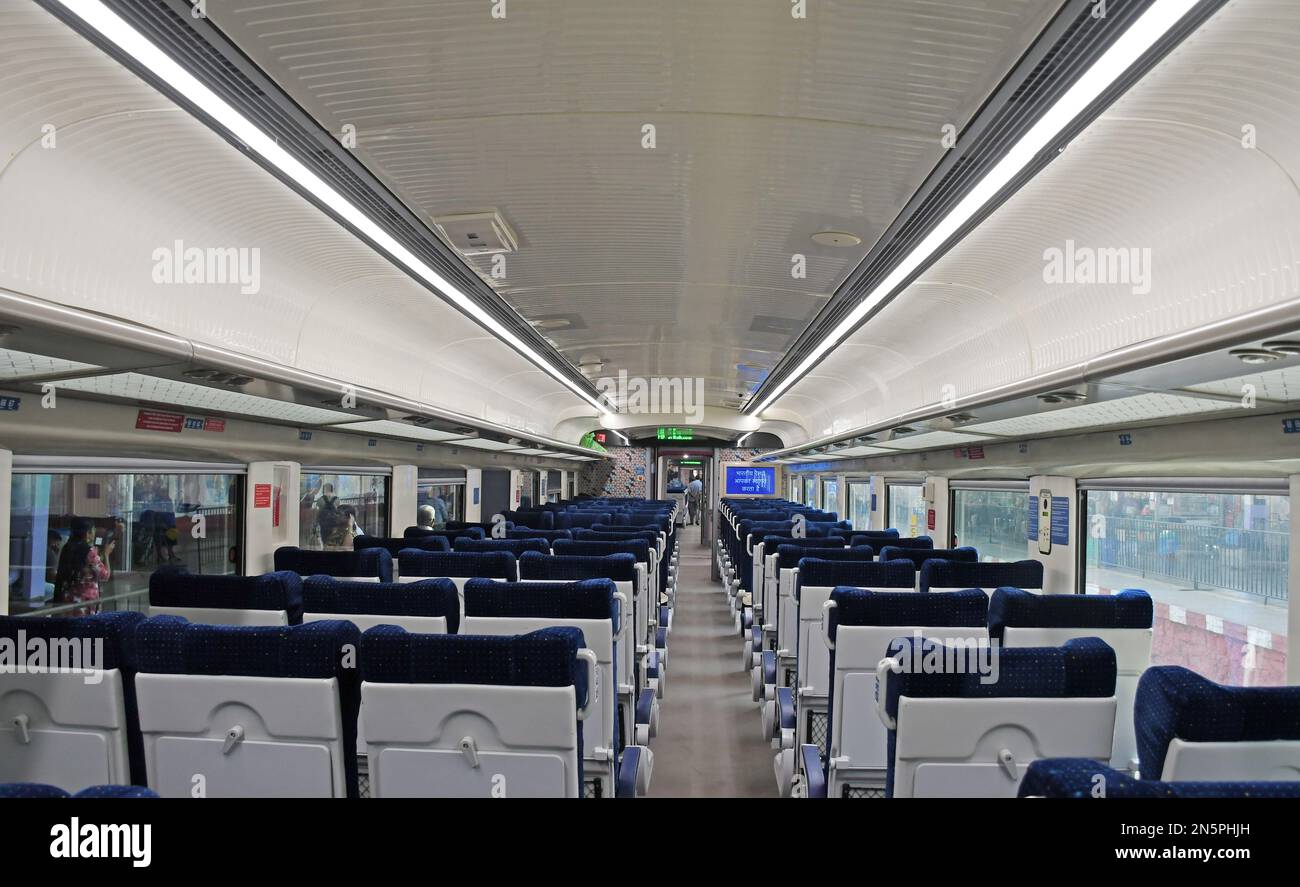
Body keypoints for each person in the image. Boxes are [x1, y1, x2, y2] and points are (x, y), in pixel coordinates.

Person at [53, 517, 113, 616]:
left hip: (67, 598)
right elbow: (104, 575)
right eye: (93, 530)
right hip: (85, 602)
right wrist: (106, 554)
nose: (94, 532)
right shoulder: (89, 551)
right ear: (87, 533)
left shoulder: (67, 548)